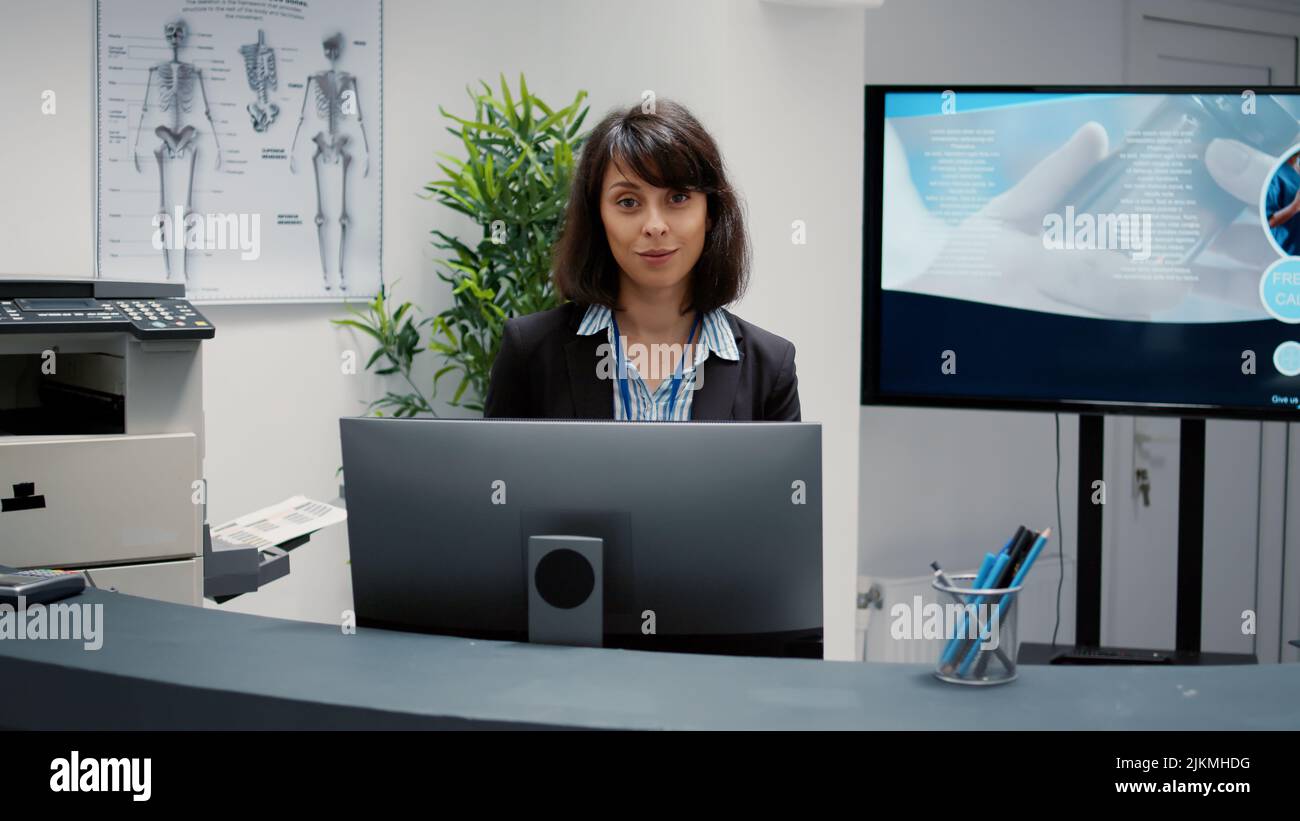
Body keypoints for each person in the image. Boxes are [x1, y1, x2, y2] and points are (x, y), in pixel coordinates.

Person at [483, 99, 800, 421]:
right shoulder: (530, 352)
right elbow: (496, 472)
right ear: (598, 217)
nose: (655, 226)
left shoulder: (771, 367)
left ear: (710, 213)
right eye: (628, 201)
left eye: (678, 198)